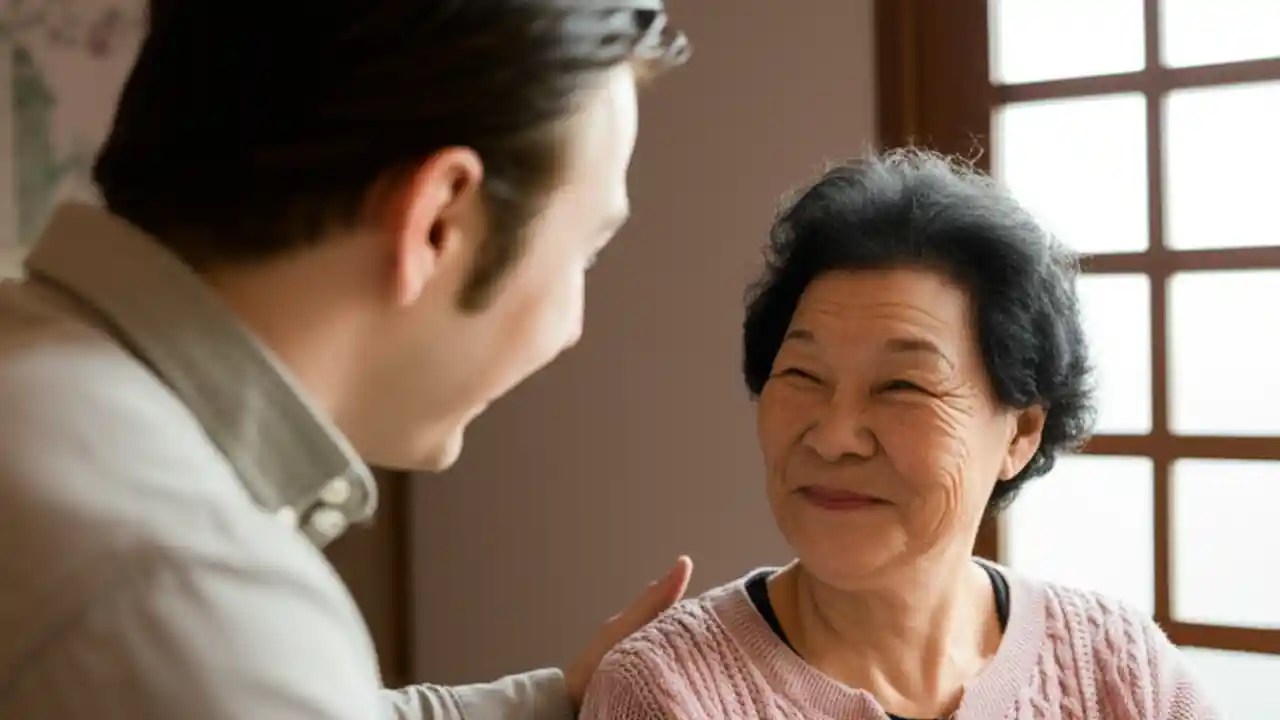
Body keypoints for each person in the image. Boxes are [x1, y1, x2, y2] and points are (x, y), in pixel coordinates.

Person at [0, 1, 694, 718]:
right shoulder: (187, 595)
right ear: (437, 221)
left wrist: (567, 702)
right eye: (587, 252)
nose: (573, 329)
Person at [581, 150, 1216, 719]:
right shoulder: (668, 693)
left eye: (901, 386)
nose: (834, 437)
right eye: (802, 374)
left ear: (1020, 432)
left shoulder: (1119, 671)